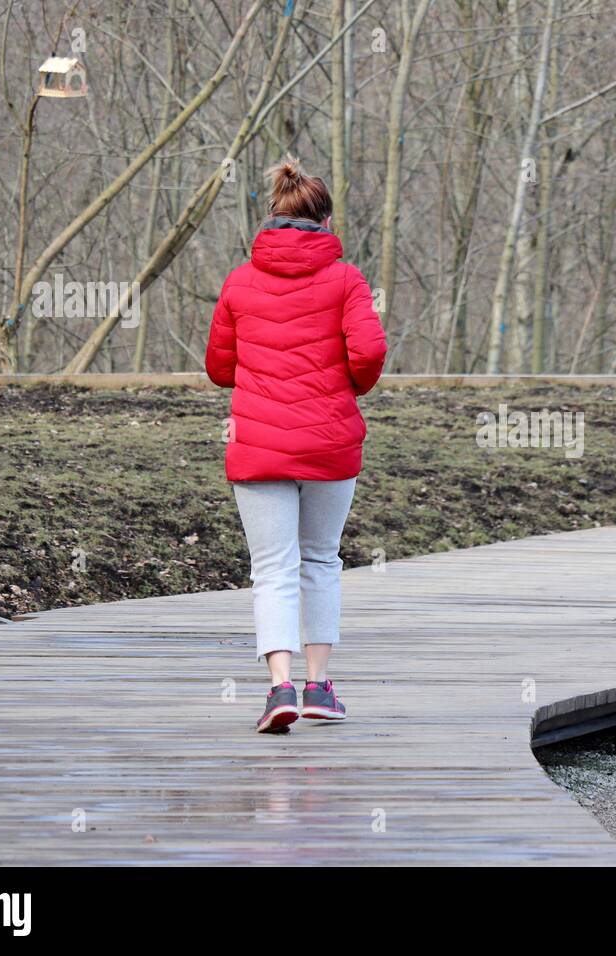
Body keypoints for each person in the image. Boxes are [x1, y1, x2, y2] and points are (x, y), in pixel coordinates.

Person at [205, 158, 387, 733]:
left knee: (273, 568)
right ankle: (320, 688)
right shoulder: (347, 279)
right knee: (320, 561)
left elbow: (218, 366)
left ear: (272, 217)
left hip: (258, 446)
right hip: (331, 443)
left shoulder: (239, 281)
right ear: (325, 220)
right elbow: (371, 351)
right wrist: (345, 389)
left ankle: (278, 687)